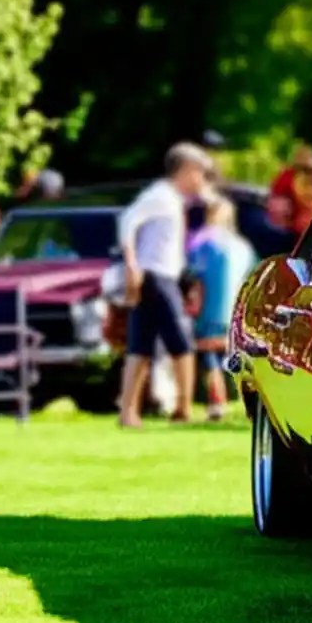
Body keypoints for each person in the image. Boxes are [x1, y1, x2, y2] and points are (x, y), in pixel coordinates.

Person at [116, 143, 213, 428]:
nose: (201, 181)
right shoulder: (160, 196)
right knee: (182, 343)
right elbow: (127, 220)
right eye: (200, 174)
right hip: (156, 277)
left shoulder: (171, 198)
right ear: (186, 170)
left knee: (140, 347)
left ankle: (127, 412)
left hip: (159, 276)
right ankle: (183, 407)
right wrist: (131, 263)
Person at [189, 197, 256, 421]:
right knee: (238, 357)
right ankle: (249, 402)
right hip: (235, 308)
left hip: (209, 307)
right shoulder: (242, 246)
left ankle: (216, 403)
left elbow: (193, 276)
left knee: (210, 358)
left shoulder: (201, 242)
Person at [268, 144, 312, 236]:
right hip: (293, 232)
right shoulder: (287, 179)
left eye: (310, 170)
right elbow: (278, 209)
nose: (306, 174)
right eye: (303, 169)